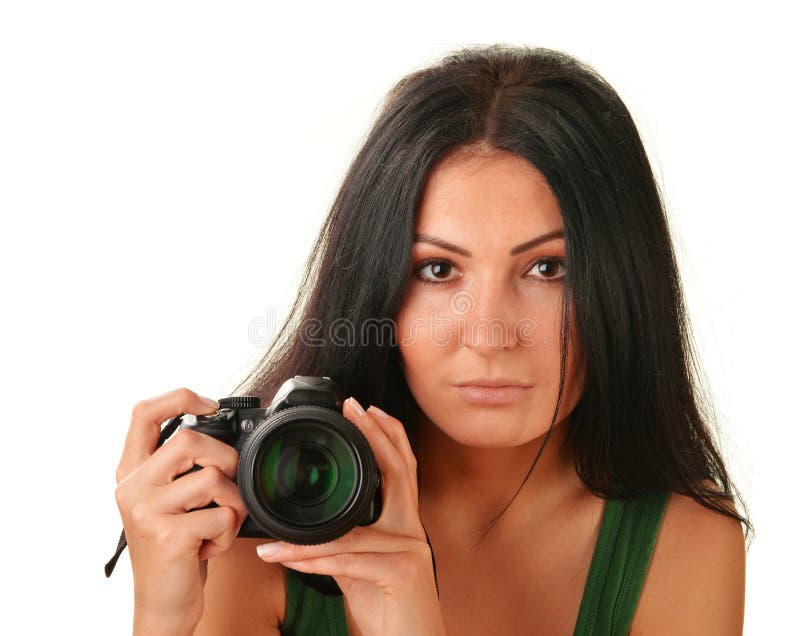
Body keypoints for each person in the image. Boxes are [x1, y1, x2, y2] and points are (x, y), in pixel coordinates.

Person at [112, 44, 751, 635]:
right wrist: (161, 617)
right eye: (439, 270)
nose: (490, 334)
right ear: (378, 288)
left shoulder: (683, 542)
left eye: (547, 268)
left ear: (625, 282)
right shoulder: (261, 518)